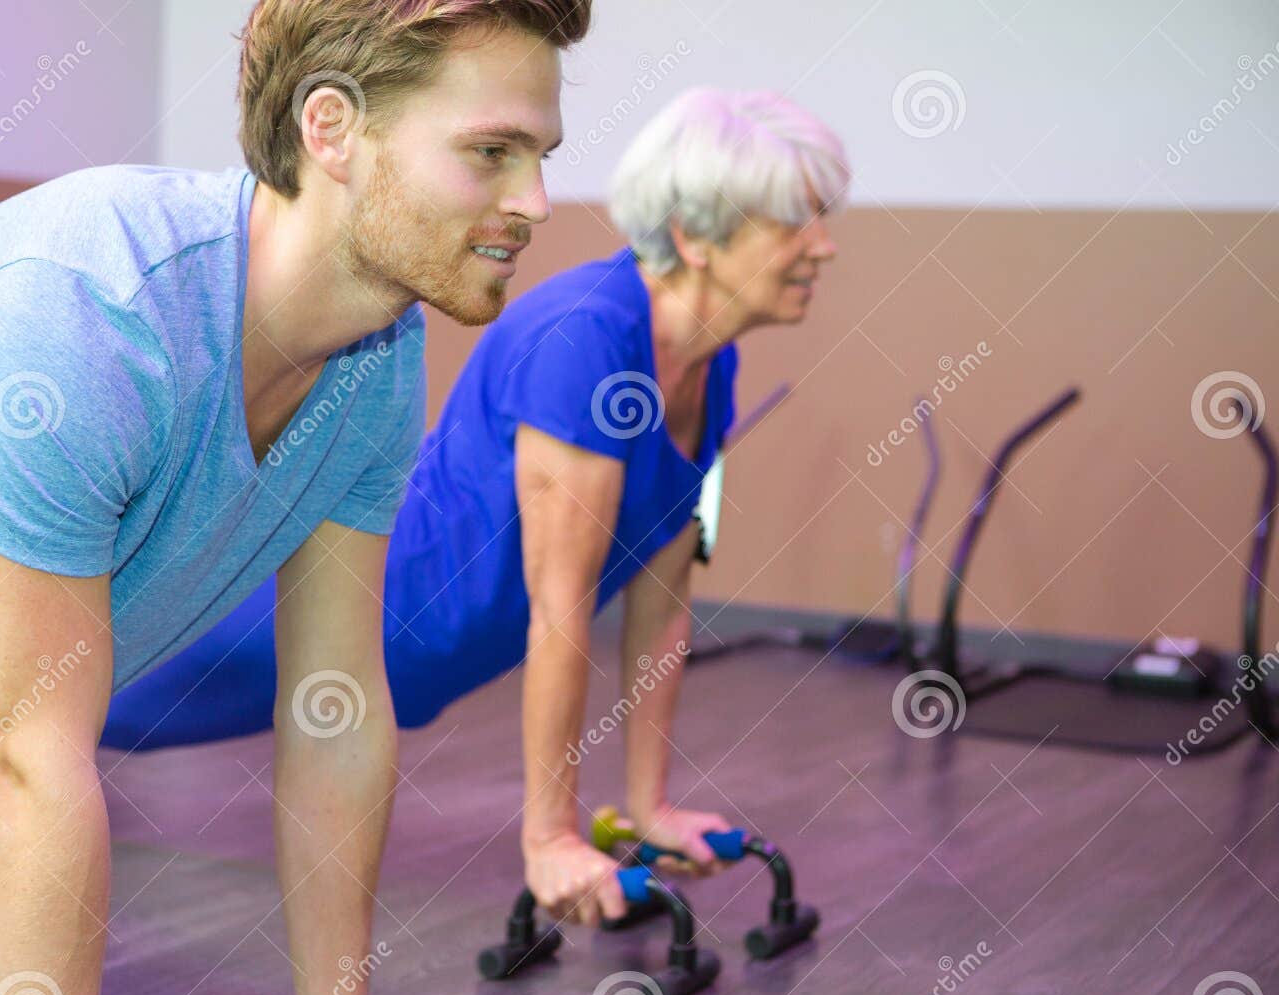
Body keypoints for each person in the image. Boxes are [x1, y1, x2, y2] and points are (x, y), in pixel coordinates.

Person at [0, 0, 592, 995]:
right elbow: (31, 756)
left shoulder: (375, 359)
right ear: (331, 127)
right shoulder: (85, 304)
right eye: (491, 151)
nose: (533, 200)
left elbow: (332, 705)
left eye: (539, 155)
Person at [102, 88, 848, 926]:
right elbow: (562, 611)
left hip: (421, 660)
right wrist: (551, 838)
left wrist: (650, 806)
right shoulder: (585, 340)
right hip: (338, 615)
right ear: (694, 238)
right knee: (80, 702)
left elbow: (664, 602)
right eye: (798, 222)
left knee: (76, 712)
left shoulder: (710, 369)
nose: (823, 246)